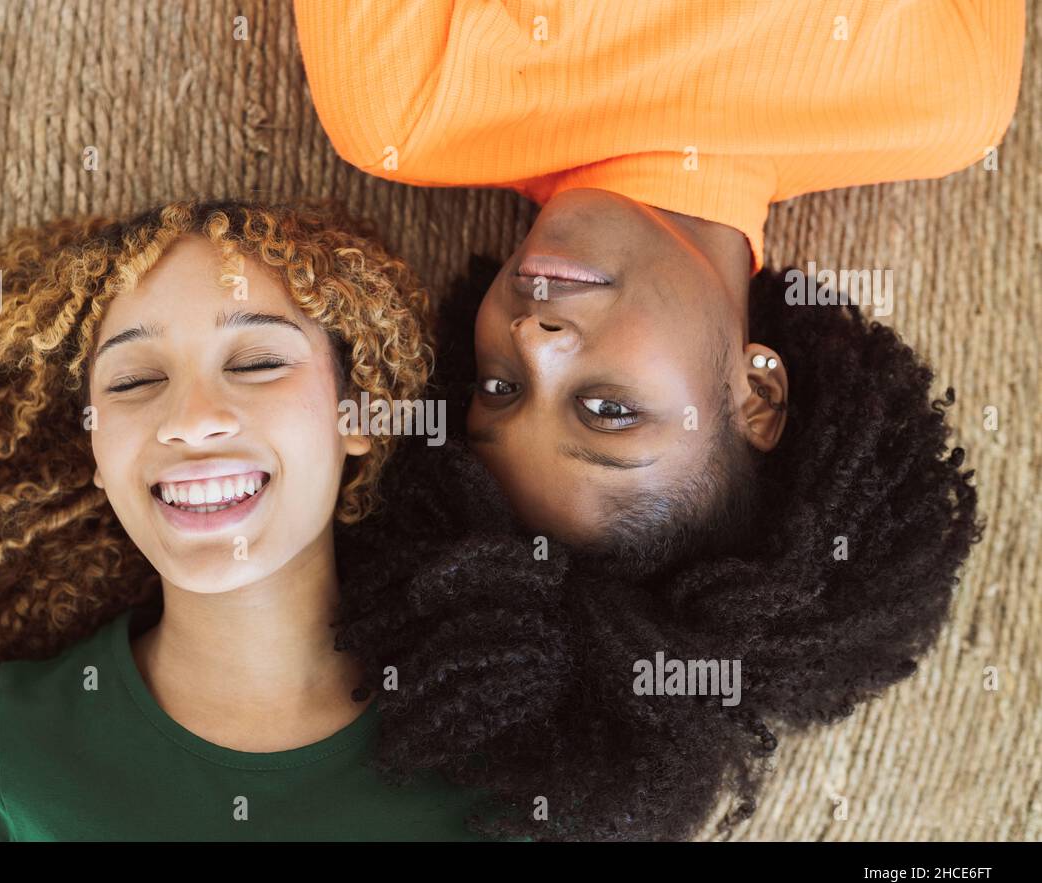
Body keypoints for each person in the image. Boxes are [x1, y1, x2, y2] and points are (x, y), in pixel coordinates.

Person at [297, 1, 1013, 839]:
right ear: (758, 395)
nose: (535, 339)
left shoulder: (405, 94)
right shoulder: (939, 93)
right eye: (608, 411)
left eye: (499, 389)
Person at [0, 199, 510, 840]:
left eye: (258, 361)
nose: (194, 420)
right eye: (135, 380)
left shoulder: (504, 739)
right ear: (96, 450)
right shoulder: (5, 756)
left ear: (358, 411)